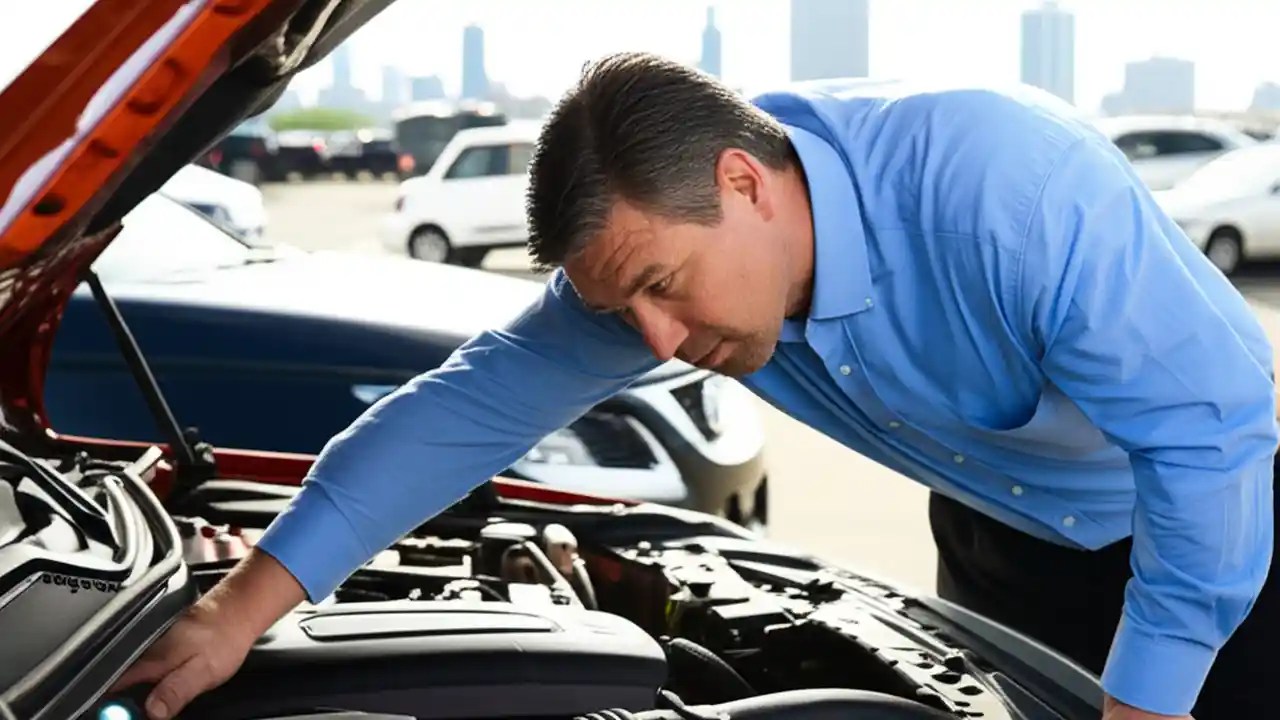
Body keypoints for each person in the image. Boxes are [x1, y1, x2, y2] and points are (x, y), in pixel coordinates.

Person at [115, 52, 1277, 720]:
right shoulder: (654, 259)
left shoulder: (1006, 187)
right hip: (999, 532)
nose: (656, 341)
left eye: (663, 286)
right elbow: (455, 415)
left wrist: (1145, 705)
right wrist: (236, 612)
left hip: (1219, 536)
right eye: (625, 311)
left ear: (743, 180)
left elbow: (1205, 442)